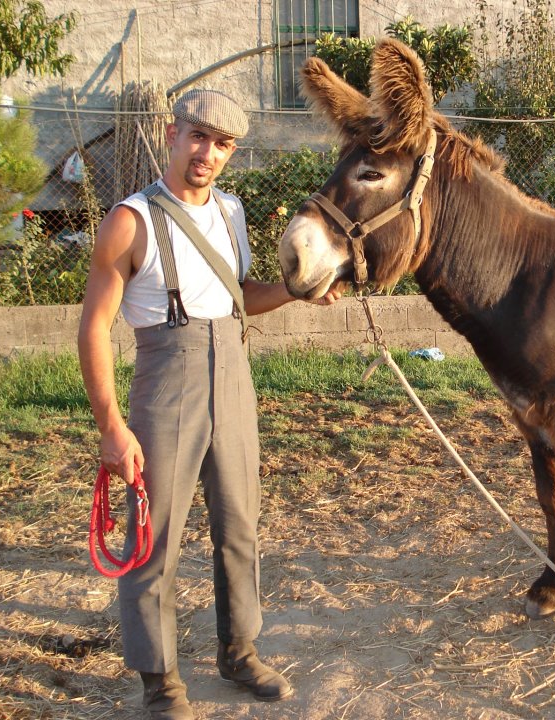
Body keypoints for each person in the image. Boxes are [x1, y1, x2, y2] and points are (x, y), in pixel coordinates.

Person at [78, 89, 340, 720]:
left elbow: (239, 297)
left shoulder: (231, 211)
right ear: (173, 134)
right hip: (165, 381)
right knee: (155, 536)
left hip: (234, 376)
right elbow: (92, 327)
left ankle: (238, 650)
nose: (209, 153)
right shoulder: (130, 219)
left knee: (239, 522)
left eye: (223, 144)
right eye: (199, 136)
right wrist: (111, 426)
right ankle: (160, 680)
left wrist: (296, 291)